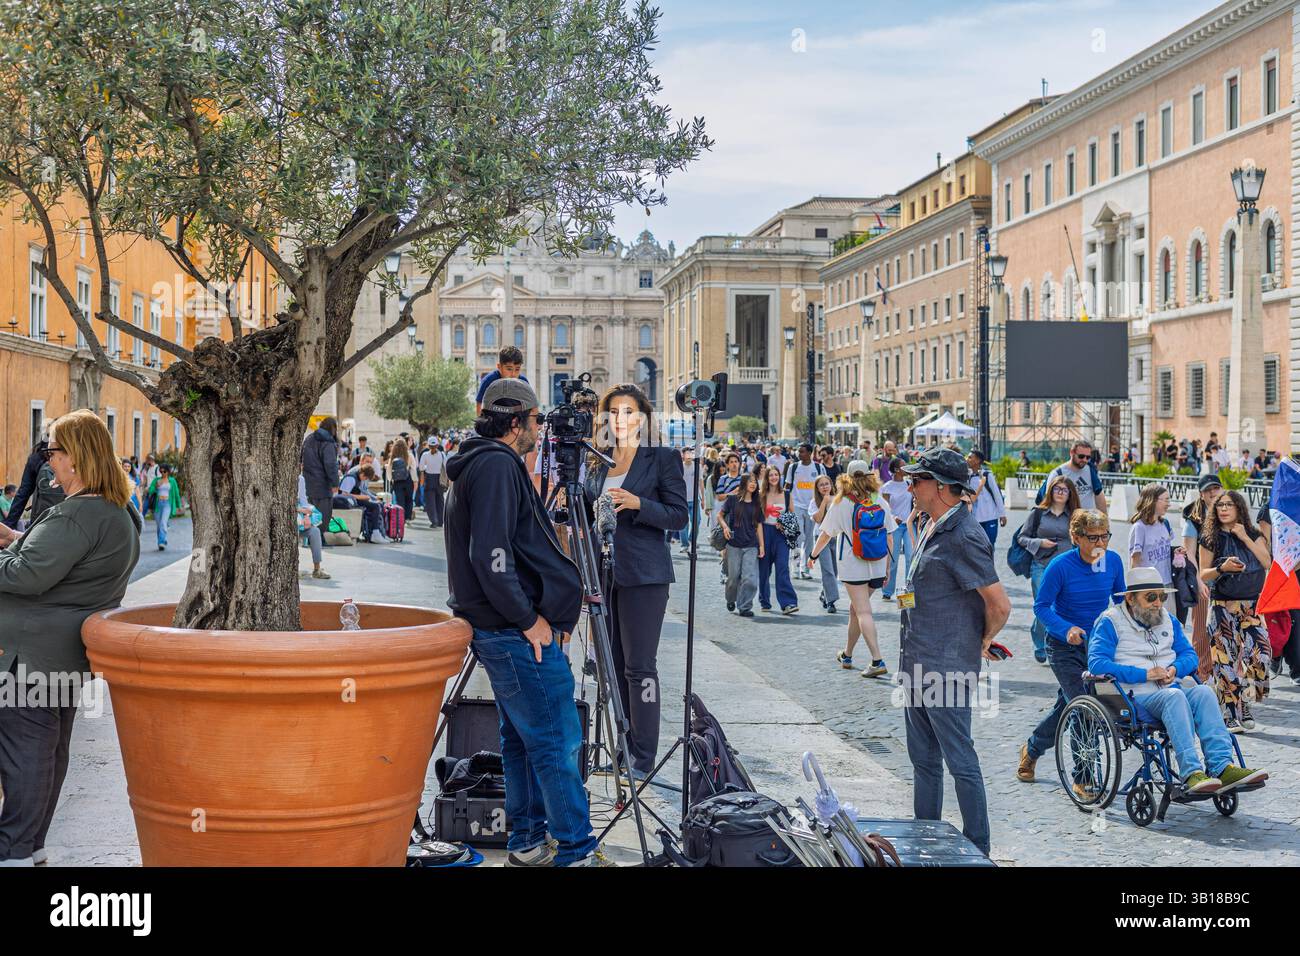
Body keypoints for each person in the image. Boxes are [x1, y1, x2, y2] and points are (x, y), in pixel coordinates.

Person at [443, 377, 605, 867]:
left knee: (522, 739)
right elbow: (492, 557)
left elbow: (507, 544)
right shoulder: (494, 465)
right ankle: (575, 850)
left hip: (503, 628)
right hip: (513, 631)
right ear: (515, 422)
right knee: (556, 739)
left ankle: (528, 843)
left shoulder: (483, 462)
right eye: (536, 420)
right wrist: (529, 618)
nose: (542, 429)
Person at [0, 409, 141, 866]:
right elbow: (64, 562)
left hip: (28, 655)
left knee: (25, 755)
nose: (48, 461)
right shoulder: (115, 512)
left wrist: (14, 554)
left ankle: (14, 850)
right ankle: (31, 845)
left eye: (52, 451)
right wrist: (16, 538)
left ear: (76, 458)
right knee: (47, 752)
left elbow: (27, 576)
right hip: (62, 654)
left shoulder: (76, 515)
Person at [894, 448, 1009, 857]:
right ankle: (926, 835)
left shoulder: (964, 534)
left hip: (945, 665)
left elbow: (999, 604)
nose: (909, 486)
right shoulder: (932, 523)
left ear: (941, 488)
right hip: (917, 659)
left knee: (959, 759)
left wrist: (981, 639)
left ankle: (978, 845)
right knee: (923, 760)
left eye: (917, 480)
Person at [584, 383, 687, 777]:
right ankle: (624, 750)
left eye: (628, 412)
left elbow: (679, 515)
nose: (620, 419)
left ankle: (643, 757)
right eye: (613, 412)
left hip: (645, 575)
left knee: (640, 666)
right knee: (613, 666)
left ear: (642, 417)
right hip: (603, 574)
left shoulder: (661, 457)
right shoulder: (597, 461)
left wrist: (638, 503)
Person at [1089, 567, 1267, 794]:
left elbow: (1189, 656)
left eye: (1162, 596)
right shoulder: (1110, 622)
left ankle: (1222, 766)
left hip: (1171, 688)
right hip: (1133, 696)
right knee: (1175, 697)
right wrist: (1144, 674)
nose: (1157, 603)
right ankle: (1191, 772)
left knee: (1204, 693)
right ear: (1130, 598)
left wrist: (1175, 668)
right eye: (1151, 597)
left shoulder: (1168, 620)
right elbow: (1097, 664)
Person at [1017, 509, 1125, 792]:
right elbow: (1041, 607)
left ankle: (1032, 748)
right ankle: (1085, 775)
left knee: (1068, 704)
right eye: (1093, 538)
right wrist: (1066, 629)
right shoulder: (1060, 566)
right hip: (1064, 646)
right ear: (1075, 537)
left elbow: (1121, 601)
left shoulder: (1112, 561)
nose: (1100, 544)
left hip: (1097, 647)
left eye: (1105, 536)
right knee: (1085, 706)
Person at [809, 461, 896, 677]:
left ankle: (877, 660)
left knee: (863, 611)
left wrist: (813, 555)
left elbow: (826, 533)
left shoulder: (842, 502)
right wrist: (887, 568)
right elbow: (890, 536)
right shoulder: (879, 501)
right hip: (877, 564)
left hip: (853, 564)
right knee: (855, 609)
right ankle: (847, 654)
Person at [1198, 490, 1271, 732]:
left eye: (1229, 504)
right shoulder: (1210, 537)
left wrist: (1244, 537)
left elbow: (1266, 561)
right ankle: (1229, 714)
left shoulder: (1252, 533)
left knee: (1261, 657)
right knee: (1224, 661)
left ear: (1239, 507)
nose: (1224, 509)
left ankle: (1246, 701)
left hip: (1251, 606)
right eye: (1220, 505)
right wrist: (1222, 568)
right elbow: (1203, 573)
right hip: (1222, 606)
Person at [1019, 474, 1080, 663]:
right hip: (1042, 565)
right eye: (1057, 489)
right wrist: (1039, 543)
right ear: (1051, 491)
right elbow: (1022, 538)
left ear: (1070, 494)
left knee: (1060, 606)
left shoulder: (1075, 516)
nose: (1060, 493)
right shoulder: (1038, 513)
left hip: (1067, 568)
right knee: (1043, 606)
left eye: (1064, 490)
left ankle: (1059, 640)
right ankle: (1040, 643)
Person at [1128, 483, 1181, 607]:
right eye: (1166, 500)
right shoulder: (1139, 527)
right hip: (1148, 587)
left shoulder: (1165, 523)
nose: (1169, 504)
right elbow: (1134, 562)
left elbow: (1166, 548)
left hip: (1167, 584)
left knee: (1169, 623)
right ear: (1151, 500)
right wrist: (1135, 591)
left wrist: (1177, 552)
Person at [718, 472, 763, 617]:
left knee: (749, 578)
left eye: (755, 481)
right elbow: (720, 515)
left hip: (751, 545)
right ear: (744, 483)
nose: (753, 484)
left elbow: (759, 525)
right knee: (733, 578)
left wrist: (761, 545)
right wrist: (725, 527)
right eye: (750, 481)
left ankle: (745, 606)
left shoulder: (757, 503)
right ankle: (731, 599)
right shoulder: (732, 499)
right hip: (733, 544)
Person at [755, 464, 798, 614]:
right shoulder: (761, 495)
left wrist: (784, 523)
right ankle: (764, 601)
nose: (774, 477)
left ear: (780, 477)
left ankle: (788, 603)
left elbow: (792, 515)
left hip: (781, 535)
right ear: (767, 477)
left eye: (776, 475)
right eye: (771, 475)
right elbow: (757, 519)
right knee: (764, 569)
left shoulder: (787, 494)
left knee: (782, 568)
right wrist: (760, 543)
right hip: (765, 532)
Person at [2, 433, 64, 531]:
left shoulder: (35, 458)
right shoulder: (67, 457)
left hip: (38, 522)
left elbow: (22, 494)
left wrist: (9, 525)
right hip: (62, 522)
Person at [1037, 440, 1107, 514]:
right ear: (1071, 453)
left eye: (1088, 457)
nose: (1085, 460)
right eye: (1081, 456)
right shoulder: (1057, 474)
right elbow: (1048, 500)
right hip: (1066, 521)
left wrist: (1104, 518)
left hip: (1087, 521)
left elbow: (1099, 494)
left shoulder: (1091, 469)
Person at [878, 458, 914, 602]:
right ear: (897, 470)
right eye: (904, 466)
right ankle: (887, 591)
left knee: (910, 559)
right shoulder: (887, 487)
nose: (906, 468)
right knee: (892, 560)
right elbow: (885, 508)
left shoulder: (909, 484)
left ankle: (908, 593)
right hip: (894, 527)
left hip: (908, 526)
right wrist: (893, 517)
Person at [302, 417, 341, 543]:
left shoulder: (309, 439)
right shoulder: (327, 442)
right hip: (323, 485)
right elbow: (330, 465)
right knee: (323, 513)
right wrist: (335, 483)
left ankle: (310, 538)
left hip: (308, 483)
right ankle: (319, 539)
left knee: (310, 512)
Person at [807, 473, 838, 613]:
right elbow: (818, 519)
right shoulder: (814, 502)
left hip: (836, 538)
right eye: (821, 485)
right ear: (817, 488)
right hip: (821, 538)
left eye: (827, 483)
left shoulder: (838, 499)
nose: (825, 487)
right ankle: (831, 601)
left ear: (831, 485)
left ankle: (824, 594)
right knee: (828, 570)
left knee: (835, 571)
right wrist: (824, 502)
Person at [966, 450, 1006, 546]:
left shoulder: (987, 475)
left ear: (978, 460)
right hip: (975, 519)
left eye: (970, 457)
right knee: (977, 546)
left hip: (990, 517)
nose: (967, 460)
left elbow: (997, 495)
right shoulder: (968, 477)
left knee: (990, 545)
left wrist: (1002, 514)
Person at [475, 346, 529, 416]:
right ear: (499, 367)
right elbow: (479, 403)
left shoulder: (523, 382)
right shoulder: (489, 380)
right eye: (509, 369)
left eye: (517, 369)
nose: (513, 374)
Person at [297, 471, 329, 579]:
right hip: (287, 518)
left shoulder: (300, 479)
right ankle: (293, 569)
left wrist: (307, 514)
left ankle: (317, 569)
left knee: (315, 531)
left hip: (299, 517)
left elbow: (303, 501)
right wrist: (297, 509)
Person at [145, 463, 181, 552]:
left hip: (167, 504)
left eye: (164, 471)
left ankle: (161, 542)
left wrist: (178, 505)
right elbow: (150, 490)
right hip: (158, 505)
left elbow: (176, 493)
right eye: (161, 471)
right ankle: (162, 541)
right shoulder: (157, 480)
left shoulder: (172, 481)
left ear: (168, 472)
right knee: (159, 525)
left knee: (163, 523)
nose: (162, 473)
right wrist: (156, 486)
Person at [418, 439, 447, 528]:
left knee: (430, 501)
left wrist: (421, 482)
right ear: (437, 445)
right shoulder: (442, 454)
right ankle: (440, 521)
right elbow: (446, 467)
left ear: (429, 446)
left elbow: (421, 468)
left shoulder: (425, 455)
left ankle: (434, 521)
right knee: (440, 500)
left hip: (429, 478)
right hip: (439, 479)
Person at [389, 437, 415, 521]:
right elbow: (413, 469)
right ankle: (407, 517)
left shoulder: (393, 456)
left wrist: (391, 479)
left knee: (400, 500)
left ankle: (401, 518)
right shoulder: (409, 455)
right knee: (409, 499)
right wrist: (415, 481)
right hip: (407, 479)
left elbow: (389, 469)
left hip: (397, 481)